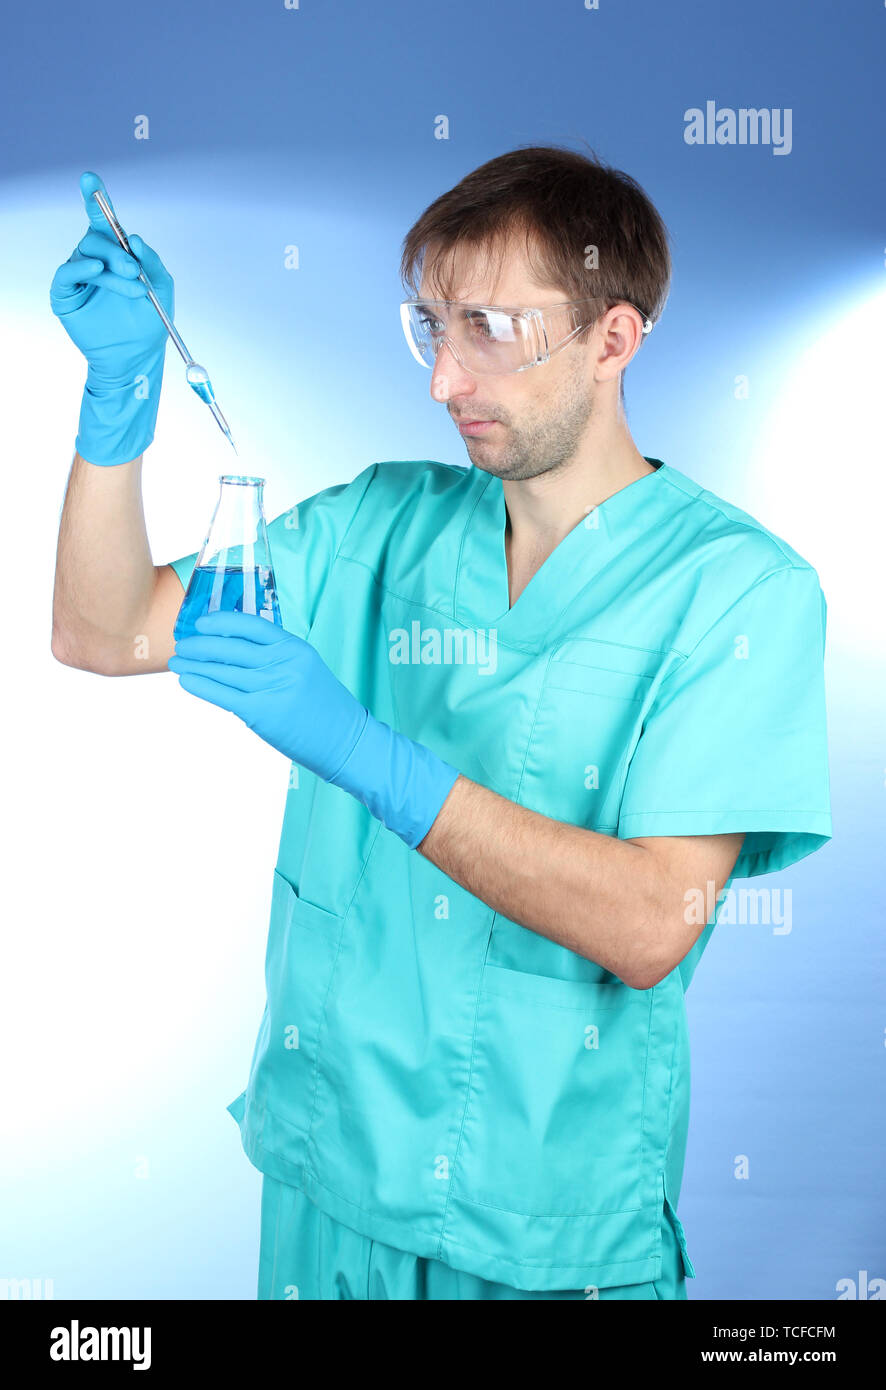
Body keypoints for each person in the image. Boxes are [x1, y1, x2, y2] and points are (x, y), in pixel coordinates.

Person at [50, 148, 832, 1301]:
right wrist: (118, 401)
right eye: (429, 325)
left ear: (613, 340)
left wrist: (366, 756)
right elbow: (106, 630)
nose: (442, 380)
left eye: (489, 329)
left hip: (540, 1238)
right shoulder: (381, 524)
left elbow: (649, 924)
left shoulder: (737, 593)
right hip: (322, 1189)